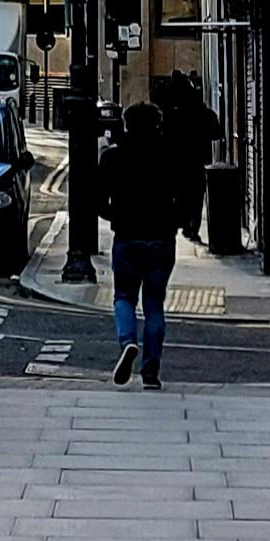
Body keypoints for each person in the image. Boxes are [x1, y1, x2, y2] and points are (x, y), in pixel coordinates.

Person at [96, 101, 186, 388]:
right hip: (161, 238)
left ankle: (127, 343)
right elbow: (189, 192)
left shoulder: (112, 157)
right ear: (157, 125)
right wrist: (178, 221)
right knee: (154, 305)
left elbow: (98, 200)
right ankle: (150, 373)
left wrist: (116, 216)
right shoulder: (171, 156)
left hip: (127, 237)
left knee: (123, 296)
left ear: (126, 125)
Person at [155, 70, 220, 244]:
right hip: (197, 160)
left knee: (177, 194)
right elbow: (216, 133)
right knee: (196, 196)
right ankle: (191, 227)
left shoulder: (169, 112)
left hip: (175, 161)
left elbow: (162, 135)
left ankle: (181, 223)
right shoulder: (200, 110)